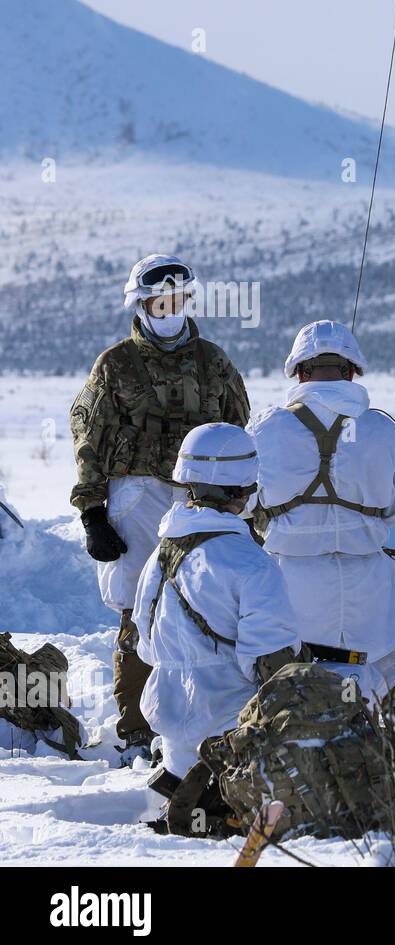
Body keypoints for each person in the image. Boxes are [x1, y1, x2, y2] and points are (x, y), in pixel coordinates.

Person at [247, 320, 395, 795]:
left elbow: (247, 501)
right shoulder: (383, 430)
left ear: (298, 374)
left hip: (291, 586)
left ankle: (288, 782)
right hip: (370, 583)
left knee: (284, 685)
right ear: (353, 372)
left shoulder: (265, 430)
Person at [69, 254, 250, 763]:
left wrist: (246, 500)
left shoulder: (214, 361)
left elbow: (240, 426)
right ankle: (135, 728)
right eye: (158, 301)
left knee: (211, 603)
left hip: (204, 497)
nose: (168, 309)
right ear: (141, 303)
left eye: (177, 300)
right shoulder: (115, 364)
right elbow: (89, 437)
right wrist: (92, 511)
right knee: (138, 608)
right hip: (137, 495)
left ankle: (211, 721)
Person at [133, 423, 300, 832]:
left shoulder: (157, 557)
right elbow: (272, 668)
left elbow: (145, 646)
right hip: (234, 754)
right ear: (245, 487)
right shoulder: (253, 564)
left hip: (175, 752)